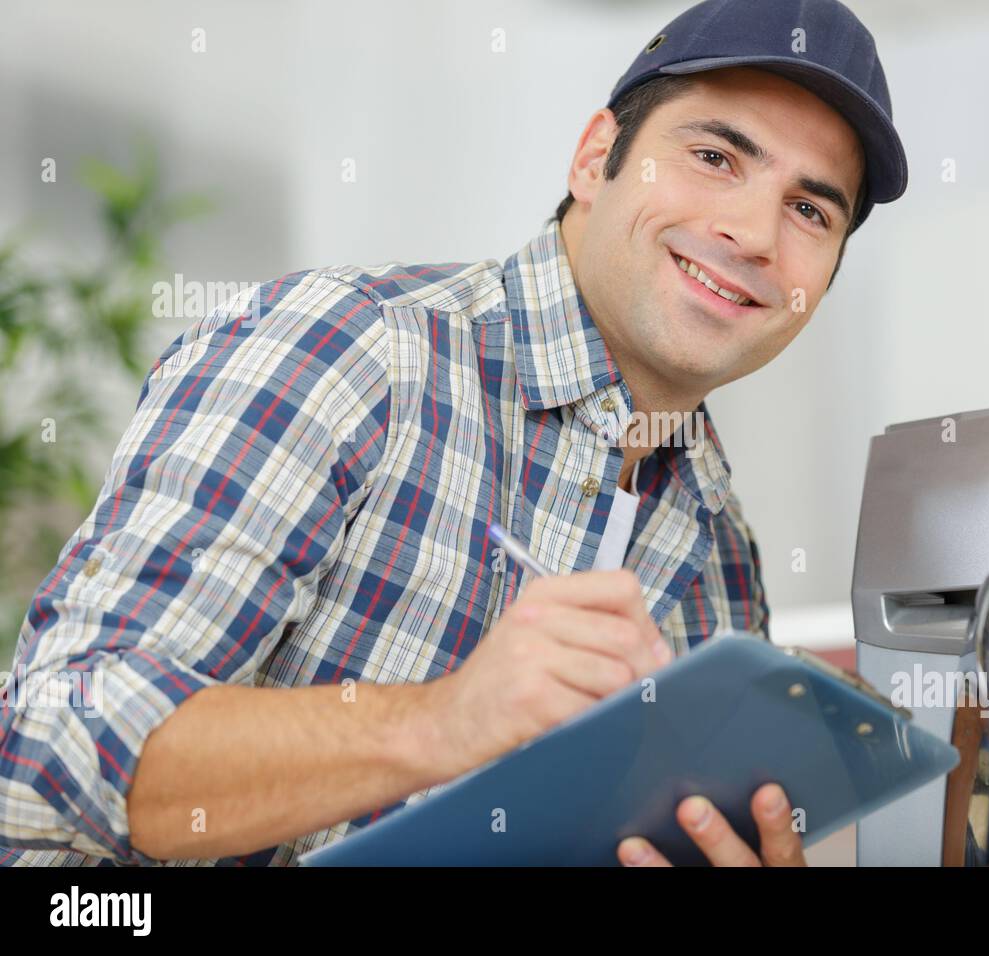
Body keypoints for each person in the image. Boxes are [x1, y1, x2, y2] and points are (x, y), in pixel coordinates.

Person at [0, 0, 906, 868]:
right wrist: (441, 722)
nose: (752, 233)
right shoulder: (349, 350)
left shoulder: (721, 553)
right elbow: (49, 746)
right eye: (715, 155)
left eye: (809, 211)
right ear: (595, 158)